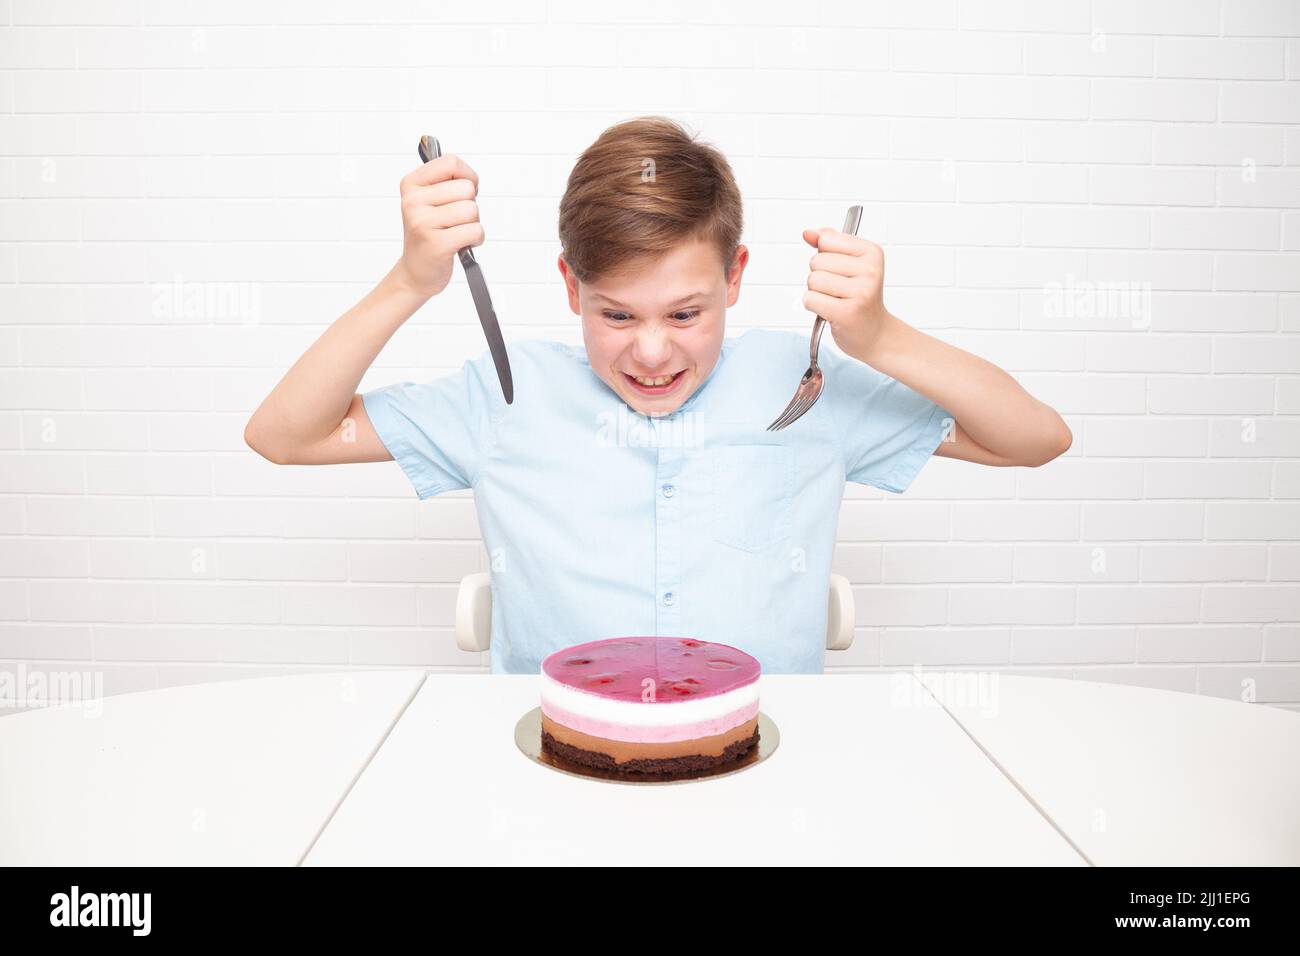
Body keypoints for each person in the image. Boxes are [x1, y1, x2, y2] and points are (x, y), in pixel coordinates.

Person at [244, 116, 1071, 674]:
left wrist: (882, 338)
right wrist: (408, 281)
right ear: (570, 288)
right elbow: (284, 436)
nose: (650, 350)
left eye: (685, 313)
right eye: (616, 314)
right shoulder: (503, 393)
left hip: (769, 764)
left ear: (736, 277)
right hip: (552, 764)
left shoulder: (806, 385)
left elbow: (1033, 439)